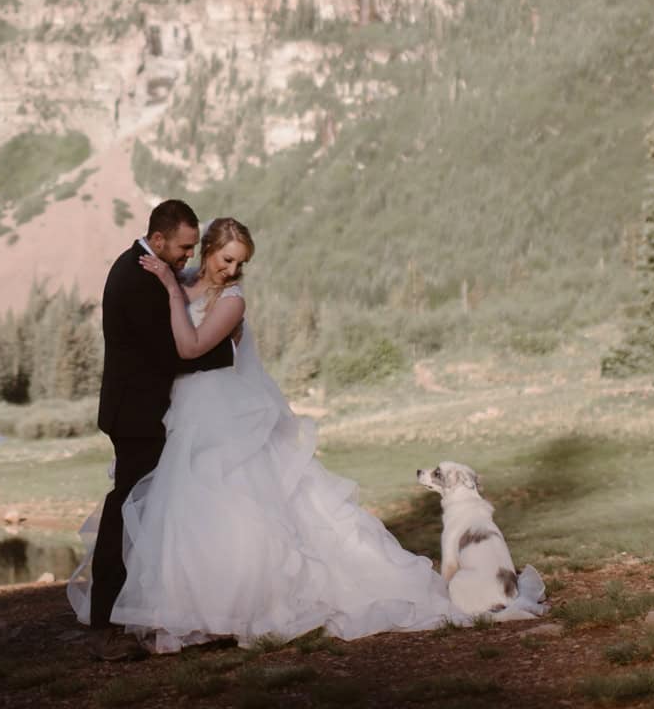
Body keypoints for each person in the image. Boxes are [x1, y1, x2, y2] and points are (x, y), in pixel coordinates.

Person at [71, 216, 465, 654]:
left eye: (240, 263)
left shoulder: (229, 300)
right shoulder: (179, 278)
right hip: (180, 408)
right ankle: (190, 602)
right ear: (207, 251)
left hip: (218, 408)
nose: (232, 271)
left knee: (229, 496)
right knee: (185, 504)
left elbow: (189, 348)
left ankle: (237, 605)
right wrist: (170, 286)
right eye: (226, 259)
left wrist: (168, 289)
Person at [72, 199, 236, 659]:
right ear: (159, 240)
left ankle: (144, 610)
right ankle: (106, 622)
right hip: (138, 416)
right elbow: (169, 354)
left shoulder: (143, 266)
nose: (187, 257)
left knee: (152, 511)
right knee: (127, 512)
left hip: (141, 410)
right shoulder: (140, 278)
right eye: (183, 248)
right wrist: (227, 358)